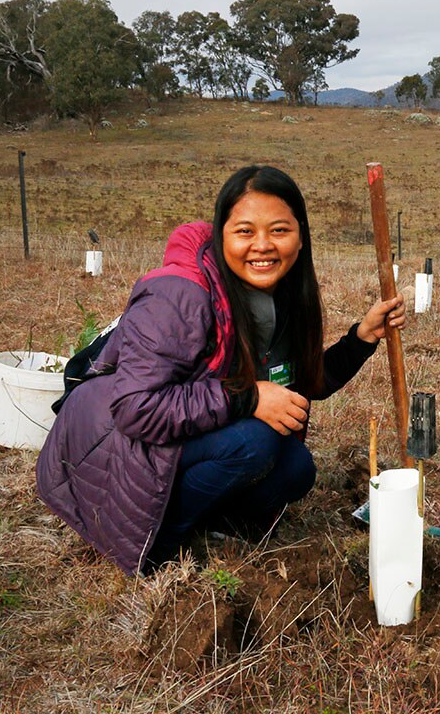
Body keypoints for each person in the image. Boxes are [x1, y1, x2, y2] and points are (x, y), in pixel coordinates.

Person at [36, 166, 405, 576]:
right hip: (110, 439)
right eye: (245, 231)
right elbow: (135, 407)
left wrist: (362, 337)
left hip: (176, 431)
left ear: (301, 237)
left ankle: (207, 523)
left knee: (296, 469)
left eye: (279, 230)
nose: (262, 246)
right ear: (220, 234)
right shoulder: (178, 293)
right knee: (255, 440)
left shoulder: (280, 294)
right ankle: (159, 543)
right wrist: (248, 397)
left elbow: (300, 384)